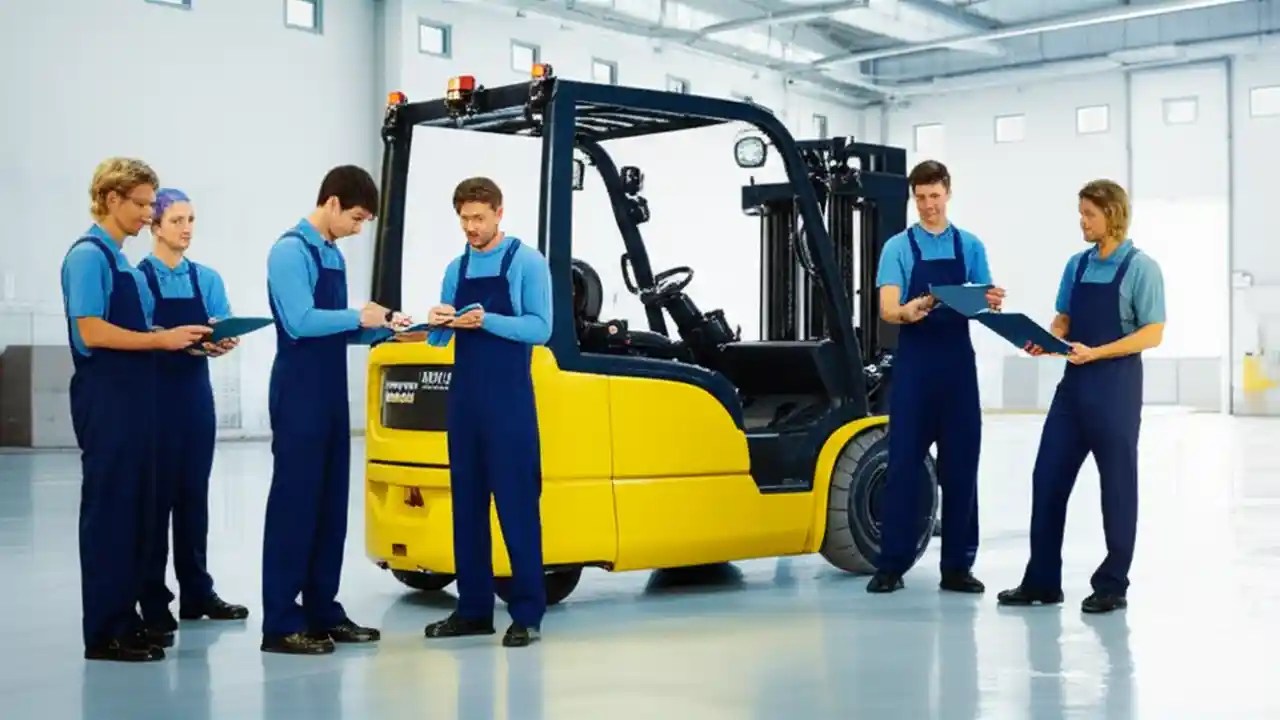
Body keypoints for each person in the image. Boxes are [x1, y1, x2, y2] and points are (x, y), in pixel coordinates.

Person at [61, 158, 211, 662]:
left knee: (135, 515)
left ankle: (126, 620)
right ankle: (103, 632)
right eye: (143, 204)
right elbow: (91, 331)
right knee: (109, 515)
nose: (150, 214)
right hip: (107, 399)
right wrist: (159, 339)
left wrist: (181, 343)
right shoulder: (89, 257)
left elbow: (141, 333)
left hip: (136, 398)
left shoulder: (121, 260)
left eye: (152, 204)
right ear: (111, 199)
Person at [261, 165, 411, 655]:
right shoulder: (289, 251)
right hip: (299, 389)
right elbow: (302, 321)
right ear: (331, 204)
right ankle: (282, 622)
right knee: (294, 506)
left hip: (329, 392)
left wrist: (386, 326)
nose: (358, 228)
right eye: (356, 218)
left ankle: (323, 609)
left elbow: (339, 328)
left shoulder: (331, 255)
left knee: (329, 506)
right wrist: (358, 315)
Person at [998, 179, 1164, 614]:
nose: (1082, 222)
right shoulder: (1076, 266)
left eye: (1089, 214)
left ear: (1112, 215)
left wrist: (1098, 352)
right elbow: (1064, 320)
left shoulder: (1142, 268)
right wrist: (1045, 340)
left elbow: (1153, 332)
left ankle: (1112, 584)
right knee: (1047, 478)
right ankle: (1042, 581)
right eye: (1081, 213)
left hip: (1116, 390)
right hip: (1072, 393)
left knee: (1118, 489)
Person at [421, 177, 552, 648]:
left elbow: (541, 327)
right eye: (464, 219)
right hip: (465, 402)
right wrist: (436, 323)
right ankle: (473, 609)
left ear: (499, 212)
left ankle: (528, 613)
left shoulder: (526, 261)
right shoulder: (456, 268)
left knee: (517, 507)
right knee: (467, 507)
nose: (471, 228)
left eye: (478, 218)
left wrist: (486, 320)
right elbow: (443, 339)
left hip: (509, 403)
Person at [867, 159, 1004, 595]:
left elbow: (982, 301)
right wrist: (908, 311)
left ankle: (958, 568)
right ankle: (892, 564)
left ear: (948, 193)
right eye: (920, 198)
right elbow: (888, 308)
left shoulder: (971, 246)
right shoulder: (898, 248)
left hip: (959, 371)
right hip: (915, 370)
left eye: (935, 196)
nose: (927, 205)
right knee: (903, 467)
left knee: (962, 469)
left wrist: (990, 300)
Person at [136, 188, 249, 649]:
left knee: (193, 499)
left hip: (195, 399)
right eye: (177, 220)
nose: (186, 228)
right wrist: (167, 336)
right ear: (155, 225)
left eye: (191, 219)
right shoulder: (138, 279)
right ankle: (154, 602)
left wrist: (224, 340)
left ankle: (198, 593)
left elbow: (220, 322)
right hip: (154, 400)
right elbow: (137, 334)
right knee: (154, 502)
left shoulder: (207, 279)